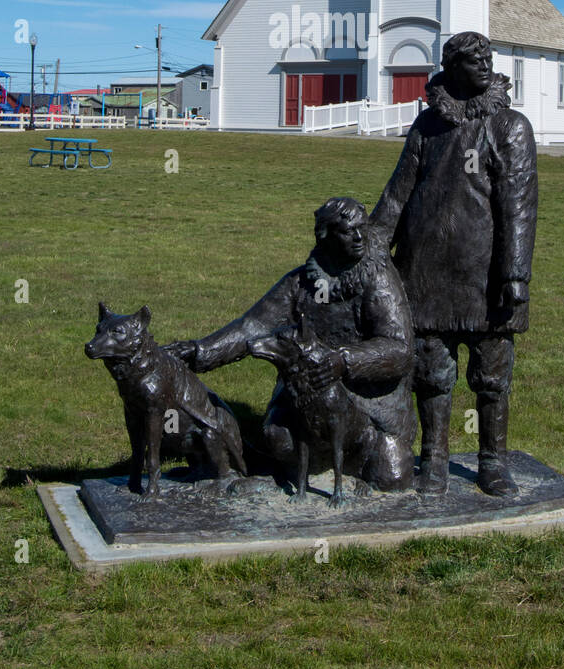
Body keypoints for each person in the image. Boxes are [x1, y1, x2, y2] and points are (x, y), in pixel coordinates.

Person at [371, 31, 538, 497]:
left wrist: (515, 274)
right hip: (426, 272)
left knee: (491, 377)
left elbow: (519, 207)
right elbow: (397, 195)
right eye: (473, 59)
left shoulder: (510, 127)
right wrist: (367, 252)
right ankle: (435, 459)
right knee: (432, 374)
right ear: (450, 66)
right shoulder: (428, 127)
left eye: (488, 58)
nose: (484, 65)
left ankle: (493, 461)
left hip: (487, 276)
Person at [167, 197, 416, 491]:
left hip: (372, 410)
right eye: (349, 231)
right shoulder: (301, 284)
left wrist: (343, 361)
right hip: (305, 407)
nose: (360, 237)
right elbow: (253, 326)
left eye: (362, 228)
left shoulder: (379, 280)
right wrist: (199, 351)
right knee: (279, 439)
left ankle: (343, 470)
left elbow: (399, 349)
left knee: (392, 478)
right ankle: (296, 469)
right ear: (325, 235)